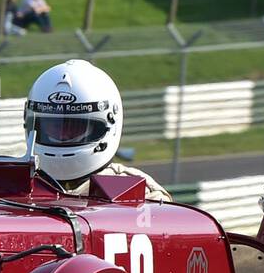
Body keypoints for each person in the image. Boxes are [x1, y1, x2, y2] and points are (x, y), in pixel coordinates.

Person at [23, 59, 170, 201]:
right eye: (53, 126)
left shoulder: (142, 194)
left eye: (74, 128)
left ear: (107, 125)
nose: (63, 135)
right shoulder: (16, 185)